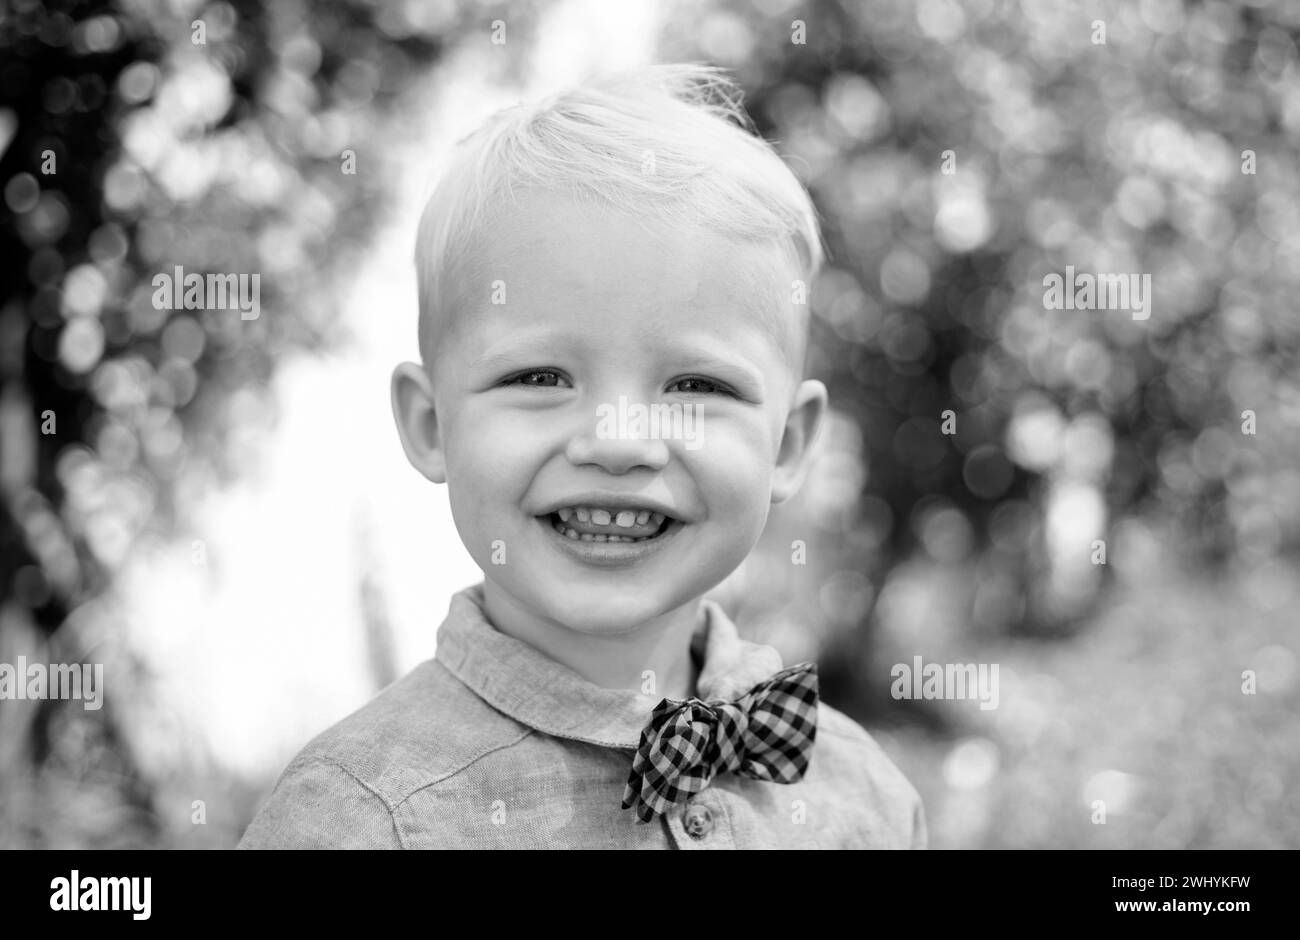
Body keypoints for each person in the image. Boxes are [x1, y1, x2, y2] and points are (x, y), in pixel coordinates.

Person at [239, 64, 924, 849]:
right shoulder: (360, 819)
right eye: (539, 377)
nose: (620, 440)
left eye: (694, 384)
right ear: (431, 424)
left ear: (788, 444)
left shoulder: (865, 798)